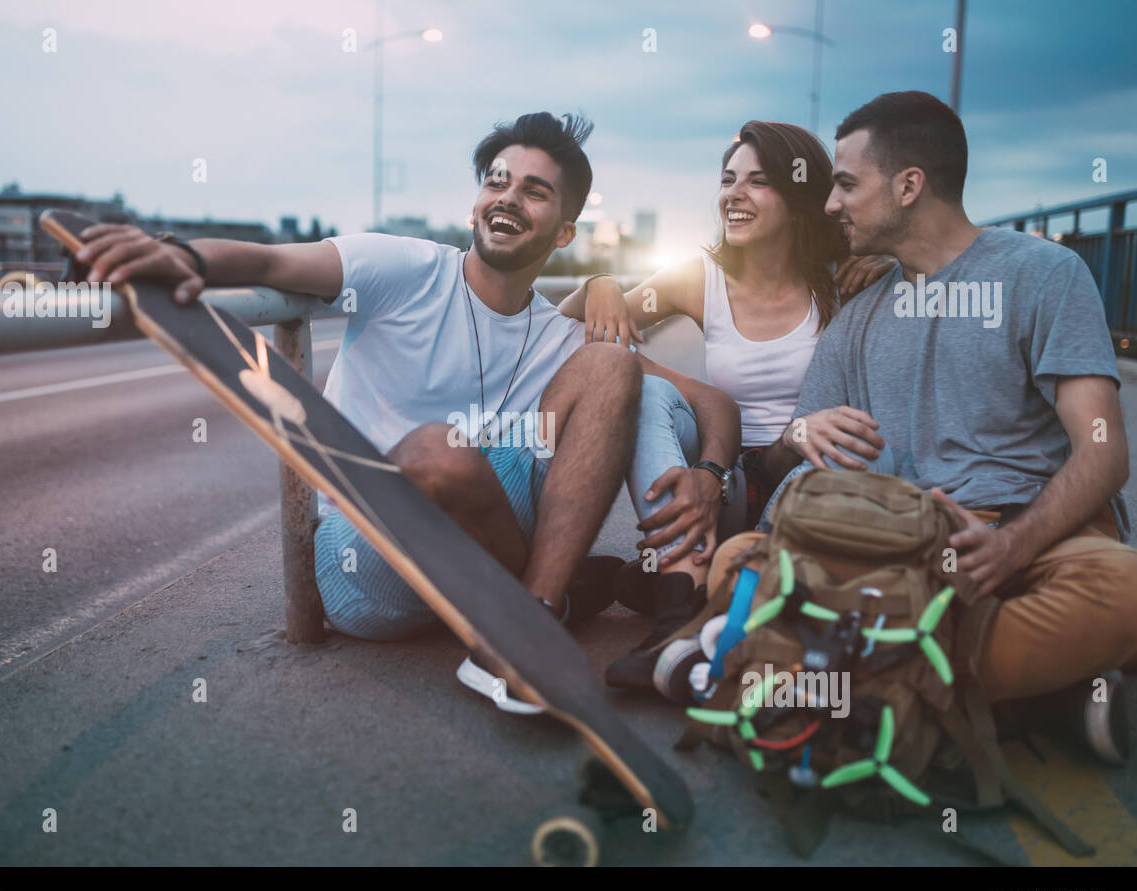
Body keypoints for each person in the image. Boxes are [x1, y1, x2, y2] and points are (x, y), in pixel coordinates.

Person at [68, 111, 736, 702]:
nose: (507, 198)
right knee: (437, 451)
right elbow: (269, 264)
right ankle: (544, 605)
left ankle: (532, 618)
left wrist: (709, 473)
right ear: (477, 201)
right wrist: (178, 253)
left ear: (563, 232)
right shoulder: (405, 269)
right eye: (497, 181)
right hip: (368, 566)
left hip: (493, 550)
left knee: (611, 365)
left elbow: (712, 401)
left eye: (534, 192)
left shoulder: (562, 336)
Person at [723, 90, 1137, 762]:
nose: (831, 203)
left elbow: (1103, 453)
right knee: (733, 566)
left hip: (1030, 537)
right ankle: (1040, 693)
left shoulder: (1042, 274)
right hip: (897, 549)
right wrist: (799, 436)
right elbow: (794, 460)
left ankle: (830, 683)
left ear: (909, 185)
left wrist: (1013, 544)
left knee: (1132, 593)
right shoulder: (859, 314)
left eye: (846, 184)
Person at [558, 121, 891, 690]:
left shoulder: (844, 281)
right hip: (733, 483)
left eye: (757, 181)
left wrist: (892, 267)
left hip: (808, 482)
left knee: (798, 571)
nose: (733, 194)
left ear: (797, 196)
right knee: (648, 391)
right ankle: (676, 607)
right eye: (727, 179)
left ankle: (674, 586)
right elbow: (566, 332)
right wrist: (600, 286)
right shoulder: (700, 278)